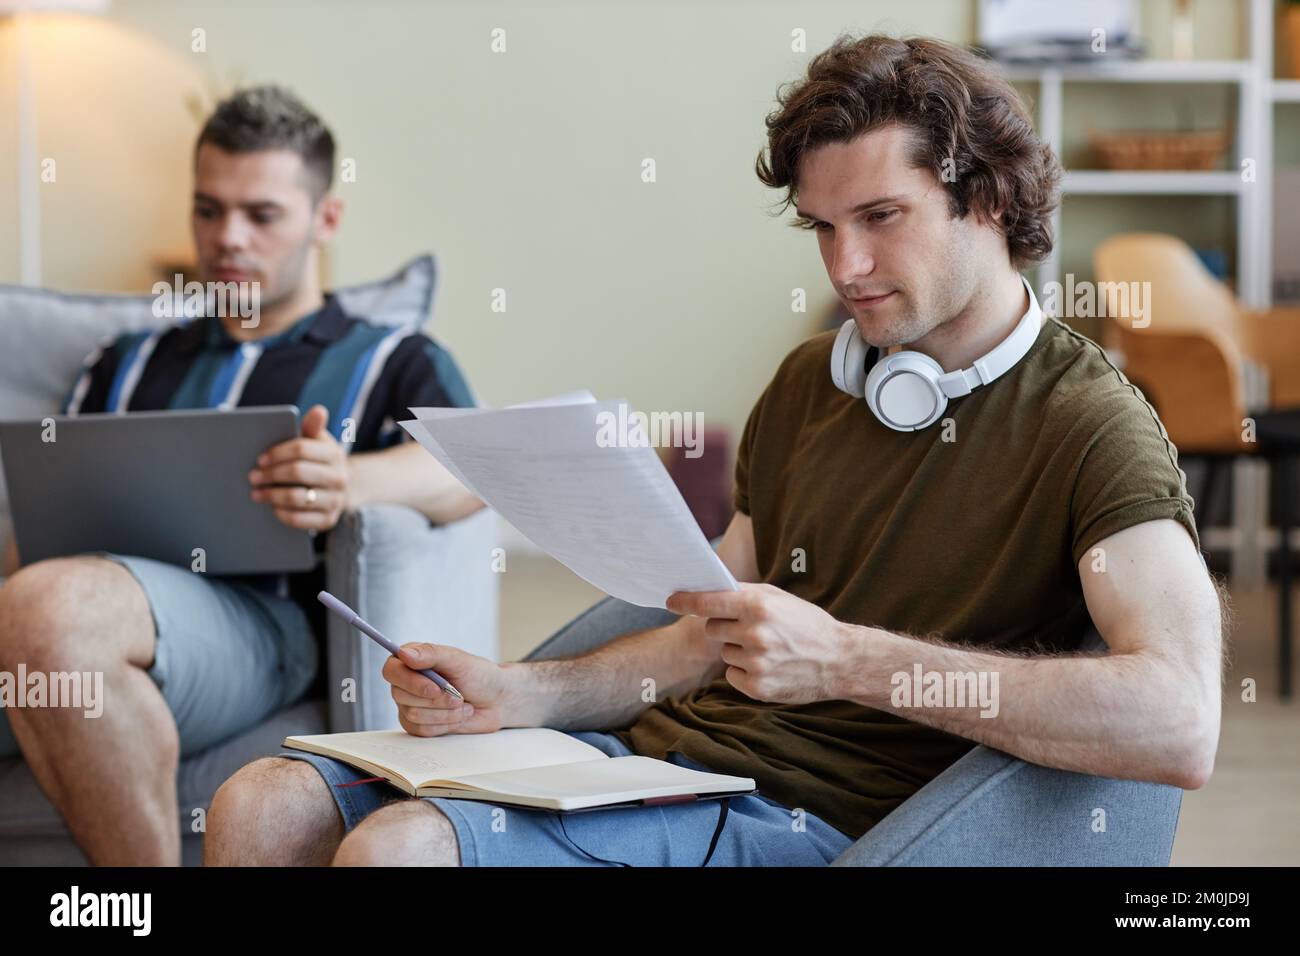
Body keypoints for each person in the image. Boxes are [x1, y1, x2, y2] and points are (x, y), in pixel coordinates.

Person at [207, 35, 1225, 867]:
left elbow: (1178, 719)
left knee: (402, 853)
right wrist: (522, 691)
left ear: (990, 201)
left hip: (807, 811)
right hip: (652, 765)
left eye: (880, 218)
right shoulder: (810, 384)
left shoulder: (1089, 421)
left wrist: (849, 660)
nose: (846, 266)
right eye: (823, 227)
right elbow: (705, 633)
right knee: (260, 802)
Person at [0, 85, 484, 865]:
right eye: (208, 209)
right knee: (43, 607)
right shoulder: (125, 360)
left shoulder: (393, 356)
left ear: (325, 221)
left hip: (263, 626)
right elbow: (42, 505)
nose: (228, 237)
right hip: (83, 612)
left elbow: (471, 471)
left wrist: (350, 481)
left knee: (50, 606)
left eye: (261, 215)